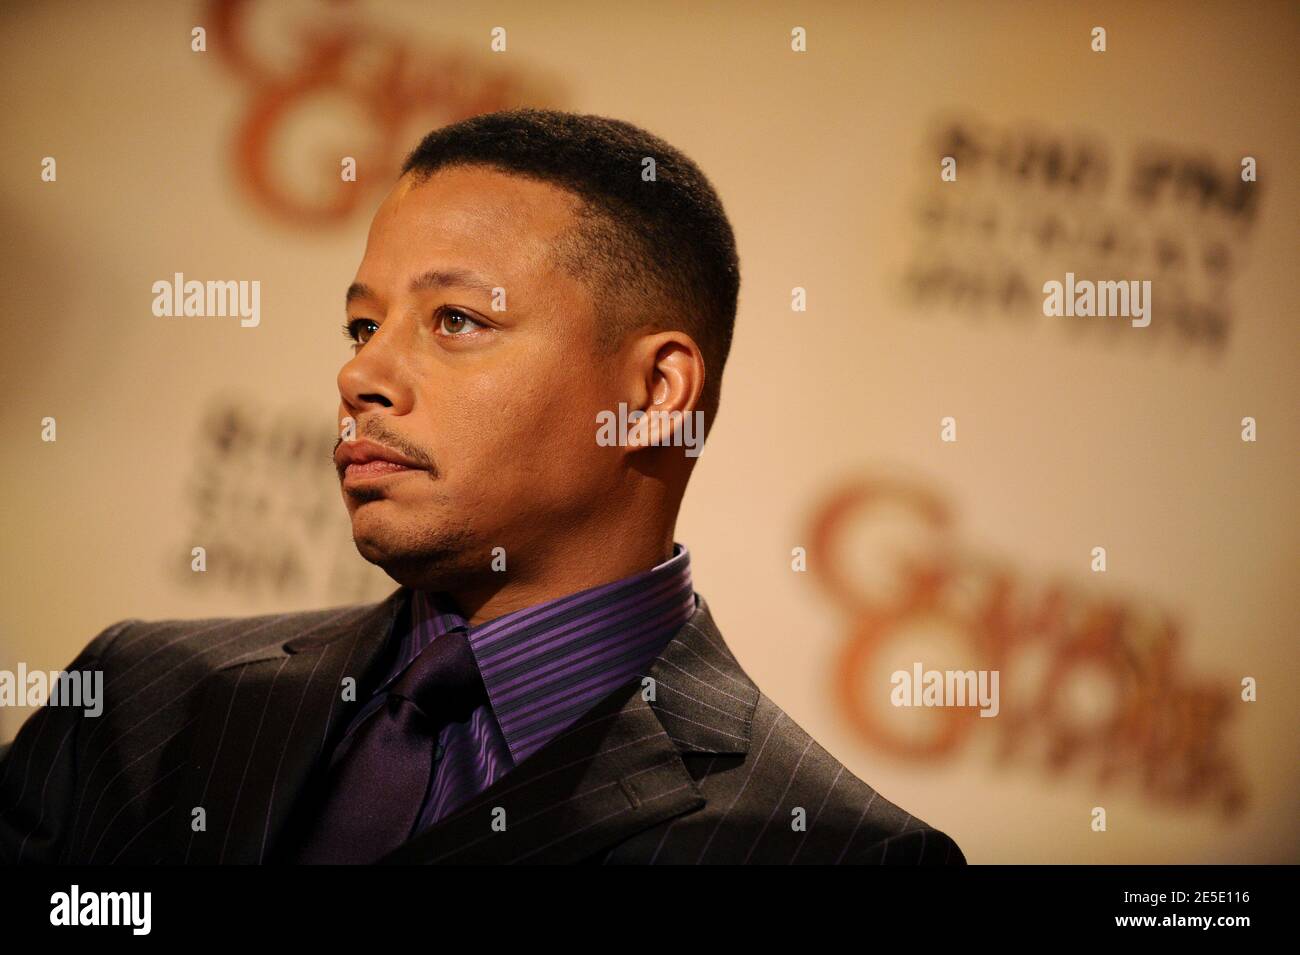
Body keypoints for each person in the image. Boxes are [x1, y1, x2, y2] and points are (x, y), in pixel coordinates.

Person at [0, 109, 965, 865]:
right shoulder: (133, 701)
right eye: (361, 326)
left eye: (455, 318)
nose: (362, 374)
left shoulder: (823, 850)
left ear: (655, 391)